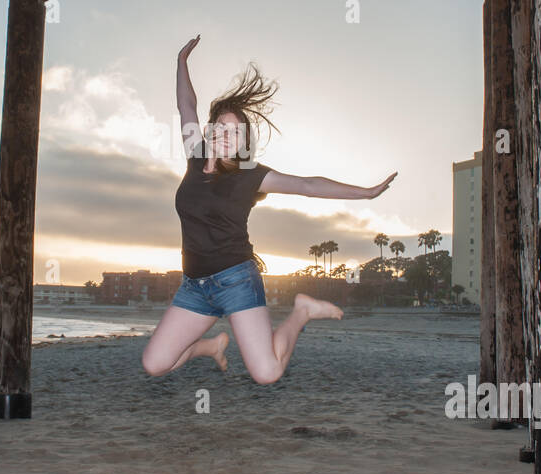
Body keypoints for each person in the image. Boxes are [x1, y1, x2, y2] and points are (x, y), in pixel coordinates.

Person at [141, 35, 398, 385]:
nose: (228, 135)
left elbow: (308, 185)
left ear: (244, 142)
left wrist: (366, 193)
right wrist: (181, 61)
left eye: (237, 132)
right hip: (194, 286)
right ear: (210, 128)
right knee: (156, 364)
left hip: (236, 281)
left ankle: (302, 311)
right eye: (222, 127)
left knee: (267, 373)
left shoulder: (250, 175)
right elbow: (186, 105)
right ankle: (212, 346)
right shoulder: (195, 156)